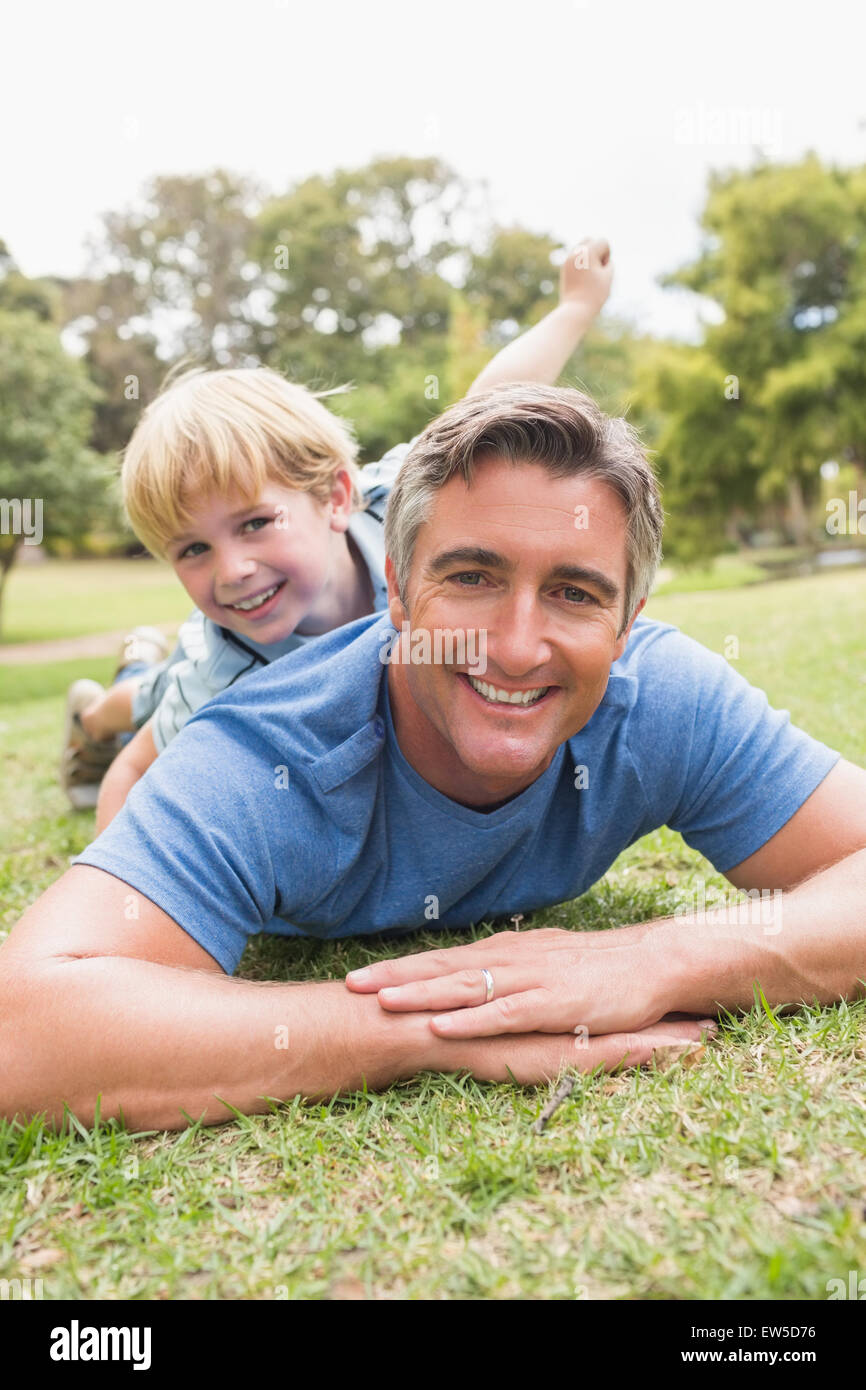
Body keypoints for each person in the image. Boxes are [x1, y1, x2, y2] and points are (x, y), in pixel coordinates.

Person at [6, 382, 866, 1135]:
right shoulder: (258, 751)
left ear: (626, 621)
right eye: (472, 578)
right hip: (188, 701)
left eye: (574, 592)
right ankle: (113, 695)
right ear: (399, 590)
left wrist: (656, 958)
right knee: (146, 705)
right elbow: (28, 1026)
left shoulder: (662, 693)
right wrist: (431, 1029)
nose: (518, 647)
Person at [59, 237, 615, 828]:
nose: (231, 570)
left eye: (255, 523)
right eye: (193, 548)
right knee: (147, 698)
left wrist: (575, 306)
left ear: (335, 498)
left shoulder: (394, 502)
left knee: (156, 684)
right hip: (203, 655)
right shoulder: (222, 671)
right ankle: (93, 716)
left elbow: (490, 403)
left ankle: (136, 665)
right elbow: (135, 770)